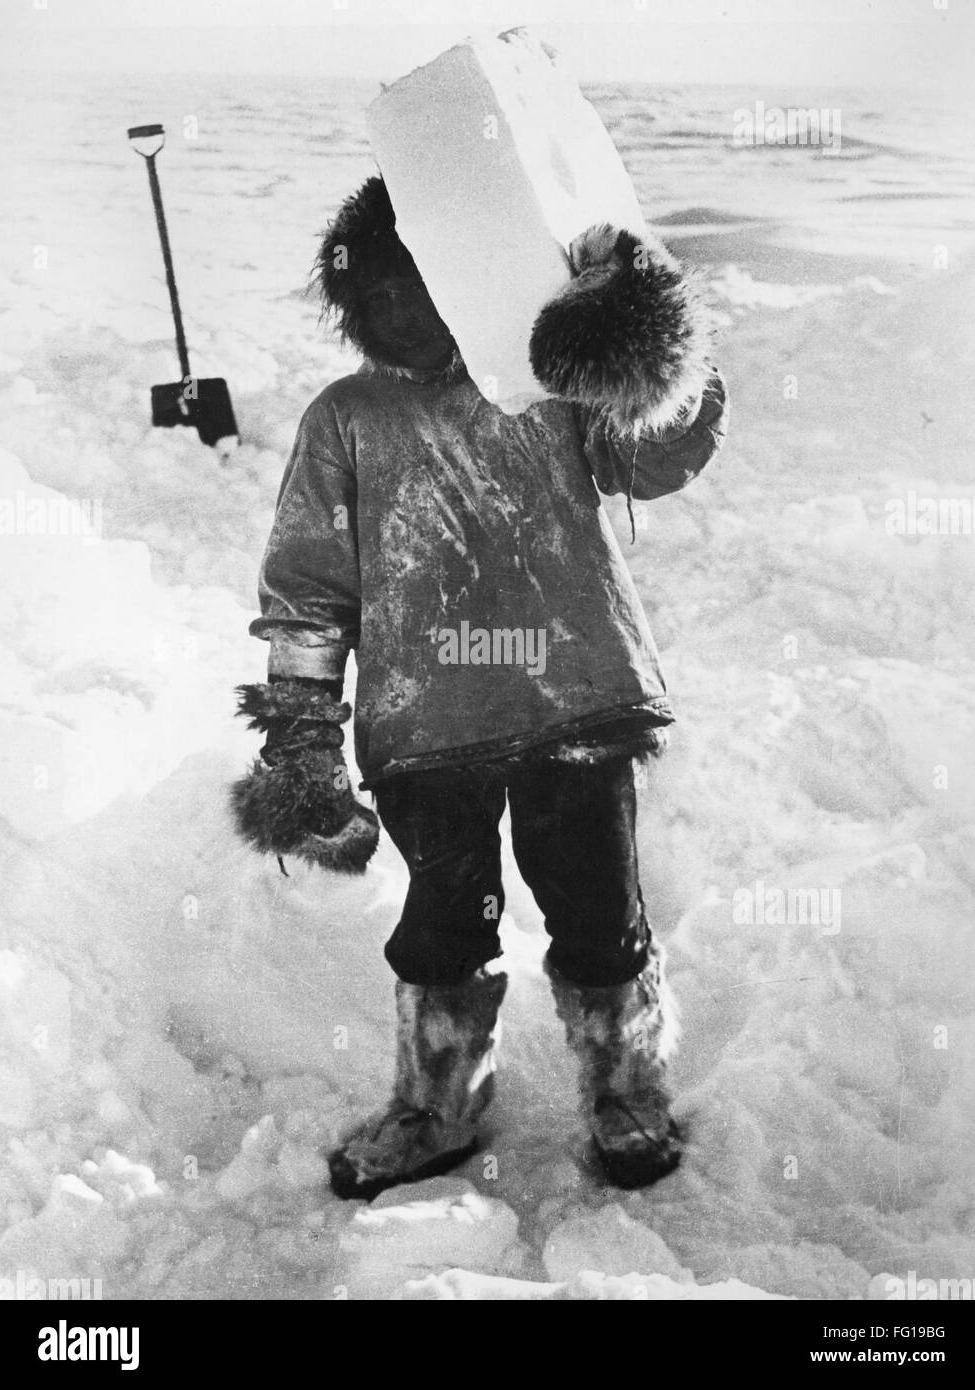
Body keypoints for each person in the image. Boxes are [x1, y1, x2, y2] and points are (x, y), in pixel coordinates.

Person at [231, 176, 728, 1200]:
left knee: (596, 910)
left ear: (454, 276)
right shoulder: (344, 420)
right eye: (364, 297)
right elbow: (306, 590)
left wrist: (632, 324)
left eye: (405, 282)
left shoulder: (539, 385)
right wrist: (298, 736)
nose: (387, 310)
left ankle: (624, 1089)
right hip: (428, 728)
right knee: (443, 919)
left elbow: (664, 448)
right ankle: (436, 1104)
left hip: (573, 707)